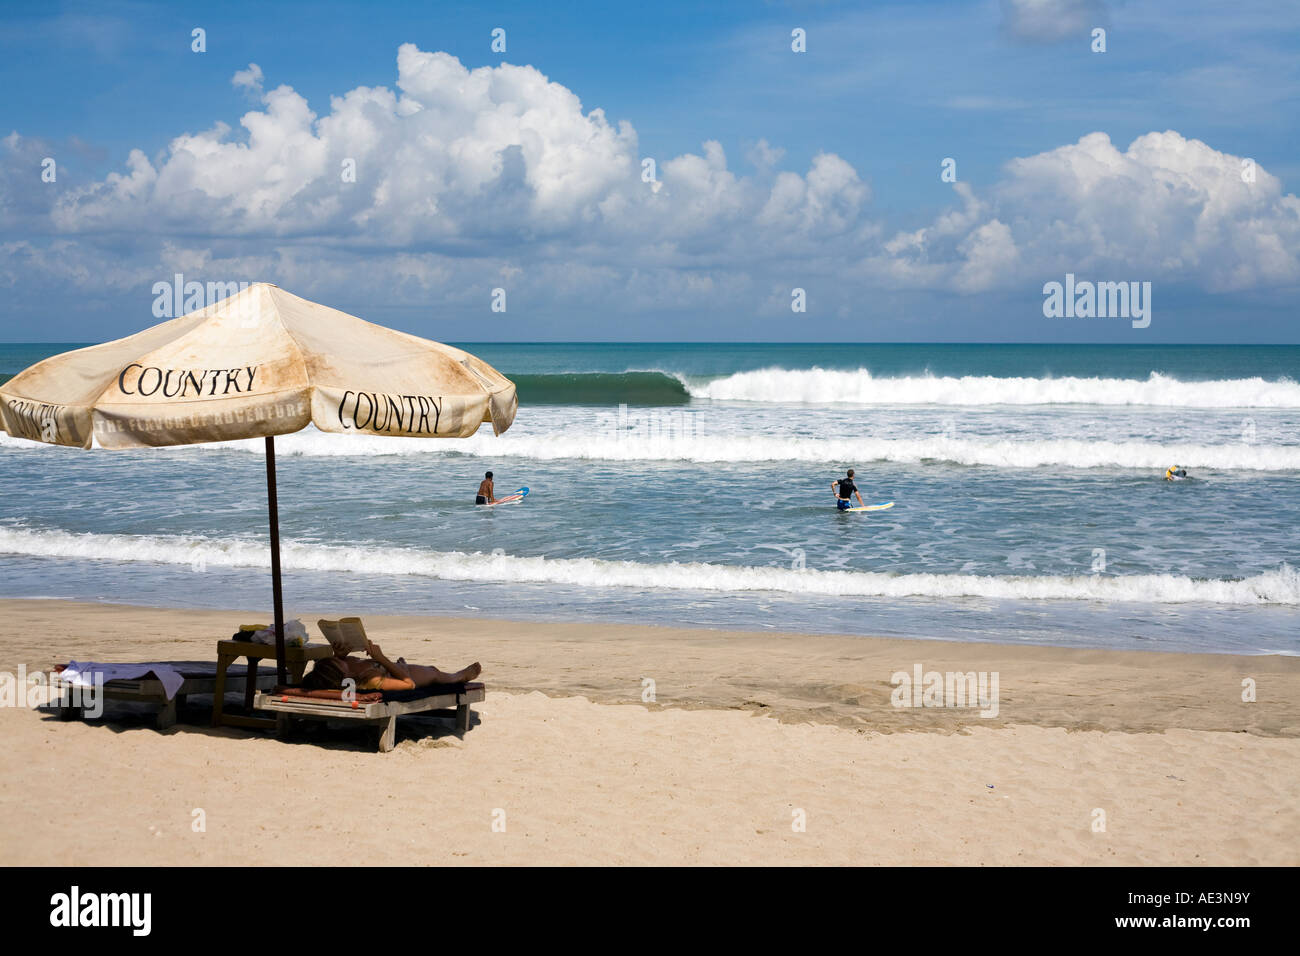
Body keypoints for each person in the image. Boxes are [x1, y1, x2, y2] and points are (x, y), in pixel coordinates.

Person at [302, 638, 481, 693]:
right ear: (343, 675)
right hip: (405, 675)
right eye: (340, 662)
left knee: (431, 670)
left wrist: (340, 655)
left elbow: (338, 666)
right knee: (434, 673)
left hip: (394, 669)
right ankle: (459, 676)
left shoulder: (350, 668)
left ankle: (456, 675)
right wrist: (381, 658)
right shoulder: (369, 680)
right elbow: (409, 684)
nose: (343, 659)